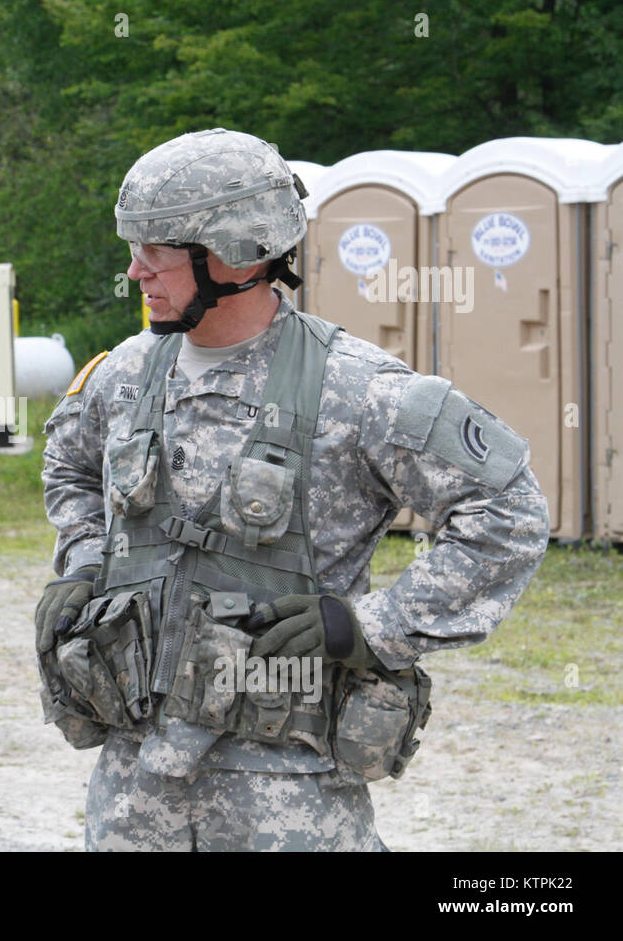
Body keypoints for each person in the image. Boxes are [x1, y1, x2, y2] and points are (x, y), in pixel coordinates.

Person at [36, 127, 550, 851]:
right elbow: (67, 464)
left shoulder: (357, 388)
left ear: (230, 254)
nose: (134, 271)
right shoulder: (127, 374)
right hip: (134, 787)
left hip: (288, 795)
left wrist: (370, 627)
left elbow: (509, 513)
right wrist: (88, 560)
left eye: (154, 250)